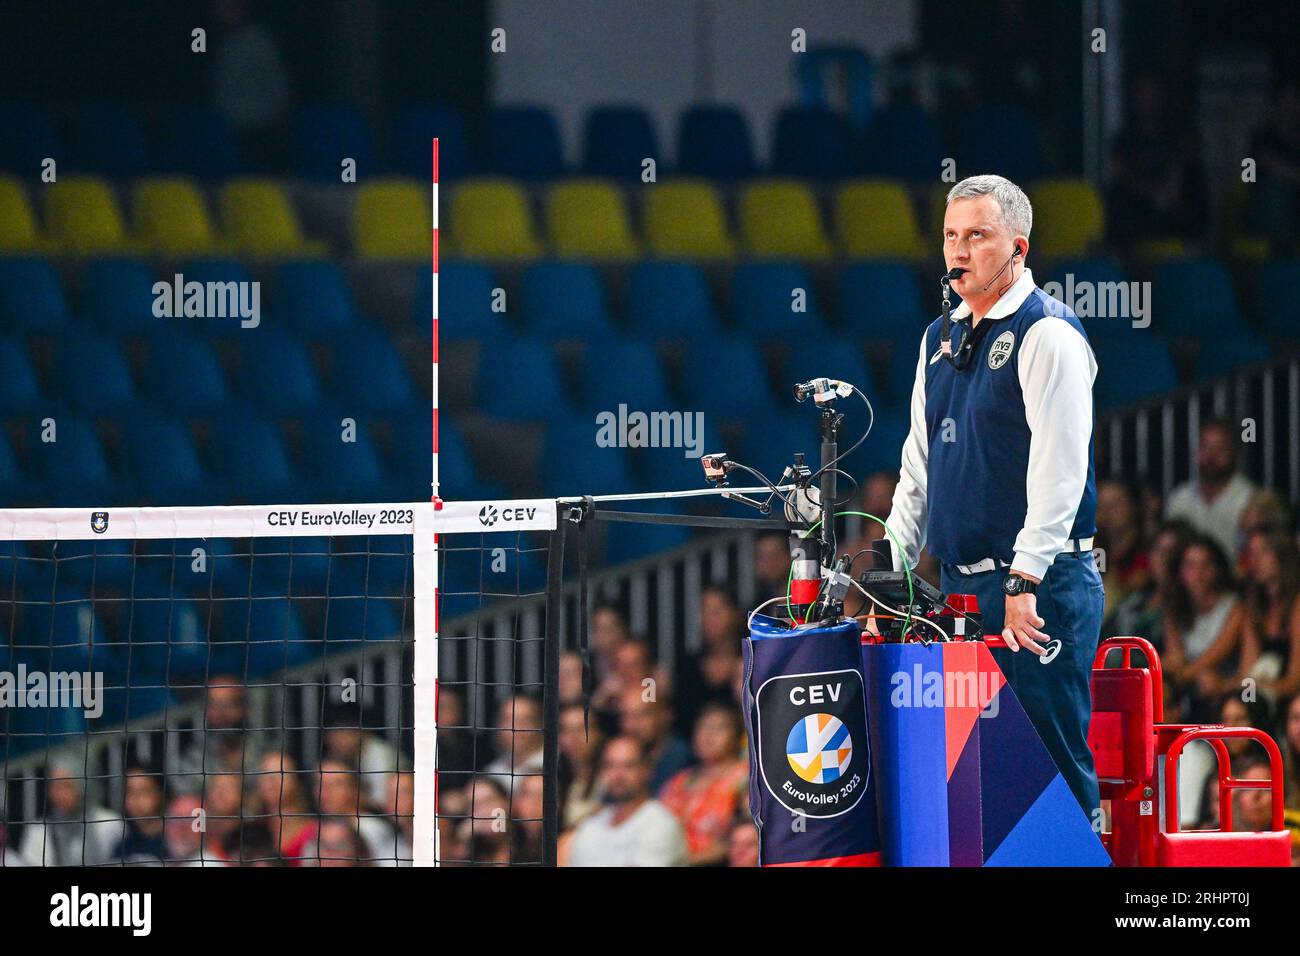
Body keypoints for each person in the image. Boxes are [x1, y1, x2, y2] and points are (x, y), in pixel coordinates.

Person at [883, 174, 1104, 818]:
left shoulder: (1048, 334)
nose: (958, 251)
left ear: (1018, 249)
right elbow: (917, 467)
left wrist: (1022, 580)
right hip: (959, 593)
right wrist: (890, 569)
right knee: (978, 796)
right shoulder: (937, 339)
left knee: (1049, 779)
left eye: (977, 236)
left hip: (1039, 590)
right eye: (951, 236)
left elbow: (1060, 472)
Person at [564, 736, 687, 867]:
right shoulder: (591, 825)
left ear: (647, 770)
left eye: (628, 766)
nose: (617, 775)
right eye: (610, 766)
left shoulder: (660, 823)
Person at [1162, 534, 1247, 711]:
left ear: (1217, 569)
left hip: (1227, 689)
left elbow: (1214, 656)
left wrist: (1177, 677)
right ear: (1179, 570)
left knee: (1205, 681)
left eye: (1206, 565)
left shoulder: (1235, 608)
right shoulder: (1174, 607)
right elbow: (1175, 657)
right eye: (1190, 566)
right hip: (1189, 686)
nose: (1198, 574)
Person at [658, 702, 748, 866]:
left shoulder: (745, 777)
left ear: (736, 737)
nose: (708, 735)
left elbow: (747, 835)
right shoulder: (677, 781)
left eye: (719, 728)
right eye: (703, 727)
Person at [1164, 419, 1257, 560]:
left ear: (1236, 454)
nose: (1211, 456)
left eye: (1221, 448)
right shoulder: (1180, 498)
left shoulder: (1250, 499)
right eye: (1205, 447)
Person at [19, 760, 124, 866]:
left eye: (65, 785)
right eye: (54, 786)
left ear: (83, 786)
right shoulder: (38, 831)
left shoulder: (109, 823)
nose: (58, 794)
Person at [1094, 479, 1151, 618]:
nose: (1108, 512)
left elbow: (1135, 588)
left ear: (1133, 505)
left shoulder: (1148, 550)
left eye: (1116, 504)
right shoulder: (1097, 549)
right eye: (1102, 505)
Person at [111, 766, 167, 865]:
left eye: (144, 791)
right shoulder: (124, 846)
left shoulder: (174, 841)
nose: (135, 799)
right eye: (130, 791)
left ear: (160, 794)